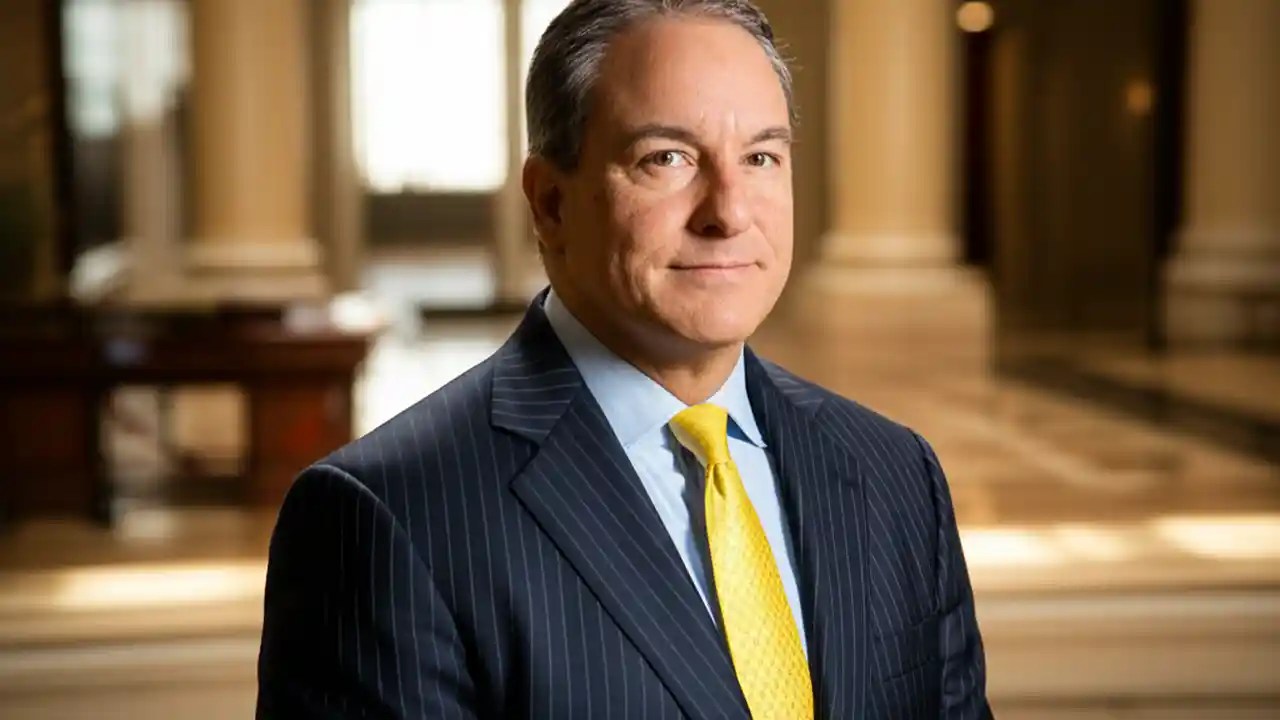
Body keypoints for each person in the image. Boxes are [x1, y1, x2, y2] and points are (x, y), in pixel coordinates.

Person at [257, 0, 990, 717]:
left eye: (761, 156)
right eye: (666, 158)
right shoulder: (388, 518)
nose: (729, 212)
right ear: (549, 203)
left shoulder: (896, 473)